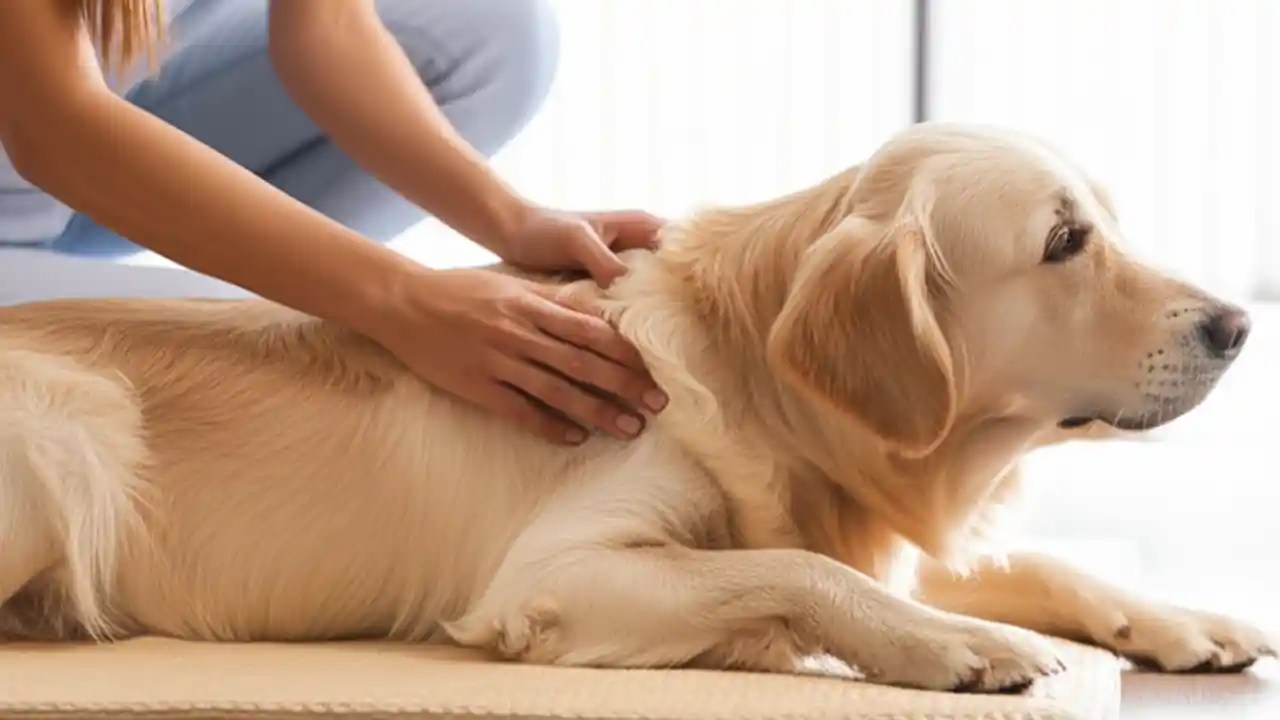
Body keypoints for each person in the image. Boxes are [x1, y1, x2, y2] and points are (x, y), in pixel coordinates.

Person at [0, 0, 668, 447]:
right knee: (276, 349)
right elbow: (54, 129)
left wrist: (512, 219)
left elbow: (329, 27)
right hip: (47, 130)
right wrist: (399, 300)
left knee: (496, 33)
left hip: (54, 142)